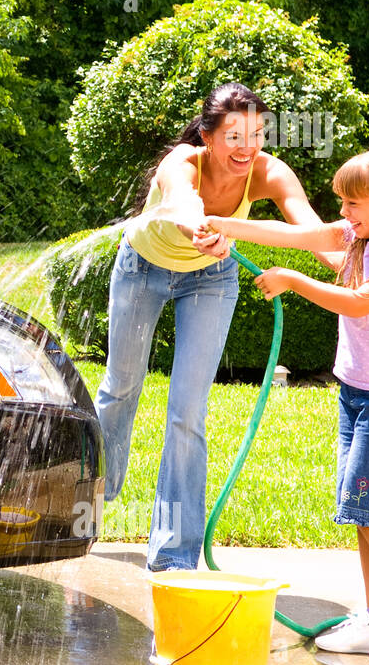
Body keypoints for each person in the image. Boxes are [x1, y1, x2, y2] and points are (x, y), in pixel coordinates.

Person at [206, 147, 369, 665]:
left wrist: (292, 281)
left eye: (353, 204)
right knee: (360, 509)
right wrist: (220, 223)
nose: (344, 214)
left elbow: (361, 300)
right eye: (341, 204)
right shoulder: (359, 236)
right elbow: (301, 236)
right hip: (357, 393)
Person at [97, 82, 325, 572]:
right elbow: (182, 204)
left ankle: (175, 556)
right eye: (235, 136)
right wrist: (200, 228)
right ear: (207, 135)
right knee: (121, 388)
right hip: (143, 268)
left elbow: (309, 227)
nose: (248, 147)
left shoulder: (268, 172)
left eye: (257, 134)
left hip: (210, 281)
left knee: (187, 410)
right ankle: (90, 503)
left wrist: (350, 261)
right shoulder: (182, 160)